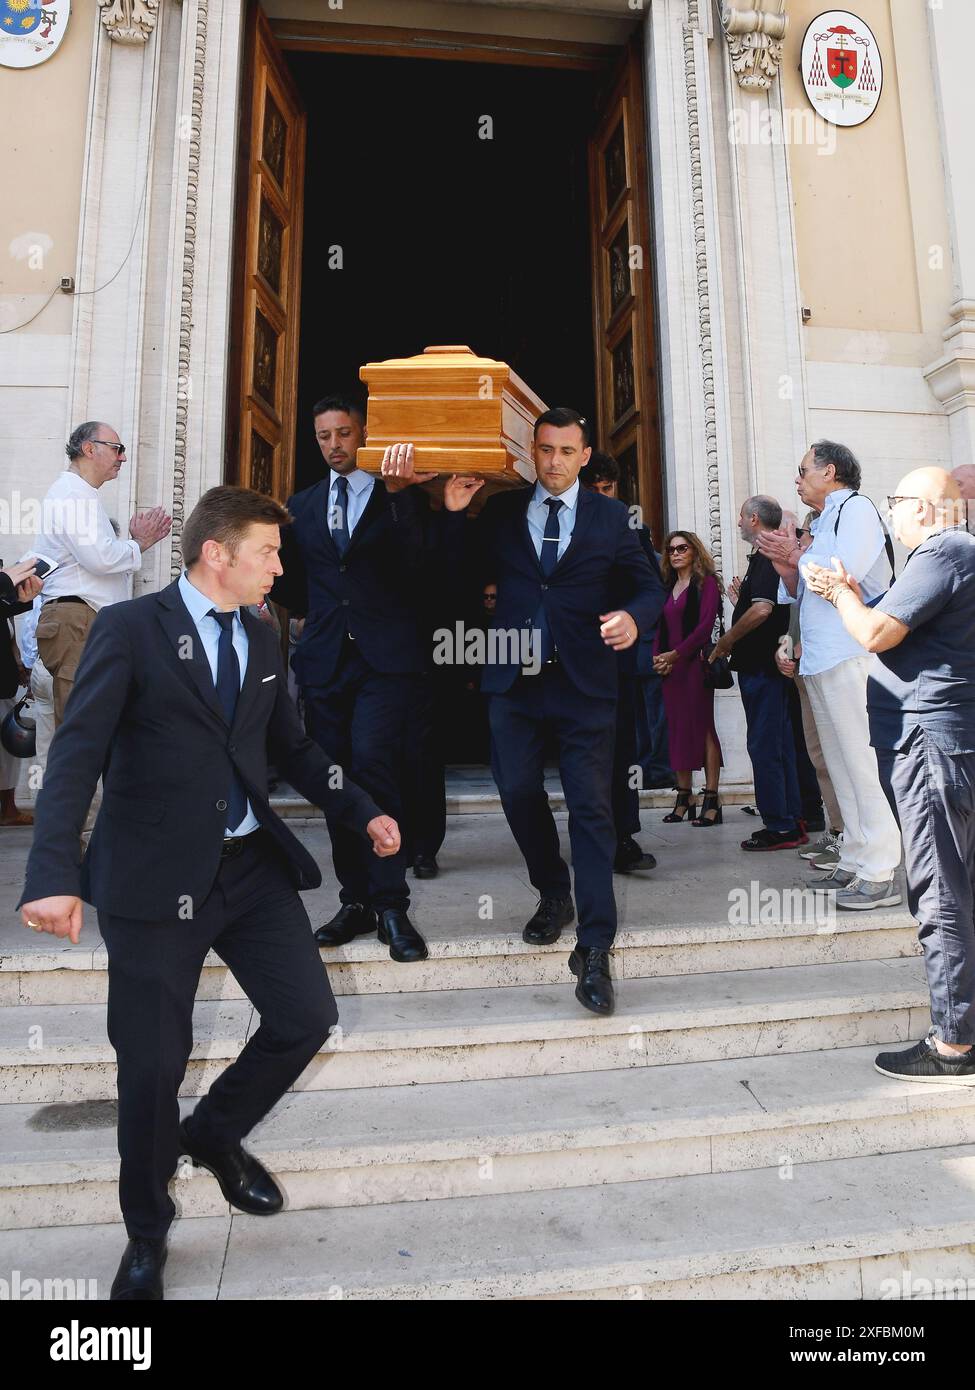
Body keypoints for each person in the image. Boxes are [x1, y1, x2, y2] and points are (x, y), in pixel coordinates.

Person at [19, 485, 400, 1300]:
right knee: (152, 1067)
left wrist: (360, 807)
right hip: (151, 879)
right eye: (267, 551)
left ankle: (215, 1134)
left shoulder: (265, 637)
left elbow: (291, 746)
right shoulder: (129, 631)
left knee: (306, 1017)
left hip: (247, 868)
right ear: (215, 555)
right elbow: (77, 754)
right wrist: (54, 874)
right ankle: (147, 1234)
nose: (278, 566)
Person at [386, 407, 665, 1015]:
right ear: (532, 452)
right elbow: (455, 579)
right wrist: (456, 518)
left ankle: (594, 947)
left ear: (584, 455)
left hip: (586, 685)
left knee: (592, 812)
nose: (556, 461)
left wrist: (633, 618)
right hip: (513, 680)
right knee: (515, 792)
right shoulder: (506, 511)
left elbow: (650, 588)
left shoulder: (614, 518)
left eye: (567, 451)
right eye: (546, 450)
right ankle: (551, 890)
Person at [803, 467, 975, 1082]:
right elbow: (907, 626)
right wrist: (857, 593)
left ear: (926, 509)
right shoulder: (954, 554)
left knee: (938, 890)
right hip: (942, 741)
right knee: (955, 884)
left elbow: (876, 634)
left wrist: (838, 595)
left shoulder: (945, 549)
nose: (890, 513)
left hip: (929, 745)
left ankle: (955, 1043)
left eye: (896, 501)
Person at [271, 395, 435, 963]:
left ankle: (392, 903)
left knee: (373, 768)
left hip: (386, 661)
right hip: (324, 664)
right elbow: (290, 583)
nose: (334, 444)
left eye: (344, 433)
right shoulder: (303, 504)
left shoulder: (401, 494)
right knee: (334, 780)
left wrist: (399, 497)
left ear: (362, 434)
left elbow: (419, 567)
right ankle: (355, 901)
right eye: (323, 436)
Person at [755, 441, 901, 910]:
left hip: (851, 653)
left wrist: (799, 557)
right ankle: (857, 858)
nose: (797, 480)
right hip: (820, 656)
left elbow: (844, 571)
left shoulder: (857, 509)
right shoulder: (821, 522)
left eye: (803, 471)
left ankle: (881, 869)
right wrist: (785, 563)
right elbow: (802, 592)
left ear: (830, 471)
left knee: (861, 763)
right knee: (839, 765)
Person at [34, 423, 172, 726]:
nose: (122, 458)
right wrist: (139, 544)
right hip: (77, 623)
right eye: (116, 448)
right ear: (88, 449)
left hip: (87, 622)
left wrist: (132, 545)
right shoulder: (72, 493)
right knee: (82, 730)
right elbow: (100, 558)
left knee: (97, 728)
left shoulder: (81, 494)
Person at [580, 451, 661, 873]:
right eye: (591, 488)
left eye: (606, 488)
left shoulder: (632, 526)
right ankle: (589, 838)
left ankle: (624, 836)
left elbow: (651, 588)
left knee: (622, 750)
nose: (599, 496)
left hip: (616, 656)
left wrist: (630, 617)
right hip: (569, 654)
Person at [709, 496, 805, 850]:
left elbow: (763, 610)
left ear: (753, 519)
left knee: (765, 746)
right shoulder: (763, 559)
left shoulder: (765, 556)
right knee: (777, 745)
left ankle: (779, 825)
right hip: (765, 666)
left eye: (739, 516)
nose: (736, 522)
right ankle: (792, 819)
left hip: (762, 668)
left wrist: (726, 642)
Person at [654, 531, 723, 827]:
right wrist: (658, 658)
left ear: (695, 552)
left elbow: (704, 627)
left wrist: (675, 655)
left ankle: (711, 799)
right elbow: (659, 625)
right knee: (678, 730)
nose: (676, 554)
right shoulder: (667, 586)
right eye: (671, 550)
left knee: (703, 727)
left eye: (683, 548)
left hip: (693, 664)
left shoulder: (705, 584)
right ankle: (684, 797)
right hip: (671, 669)